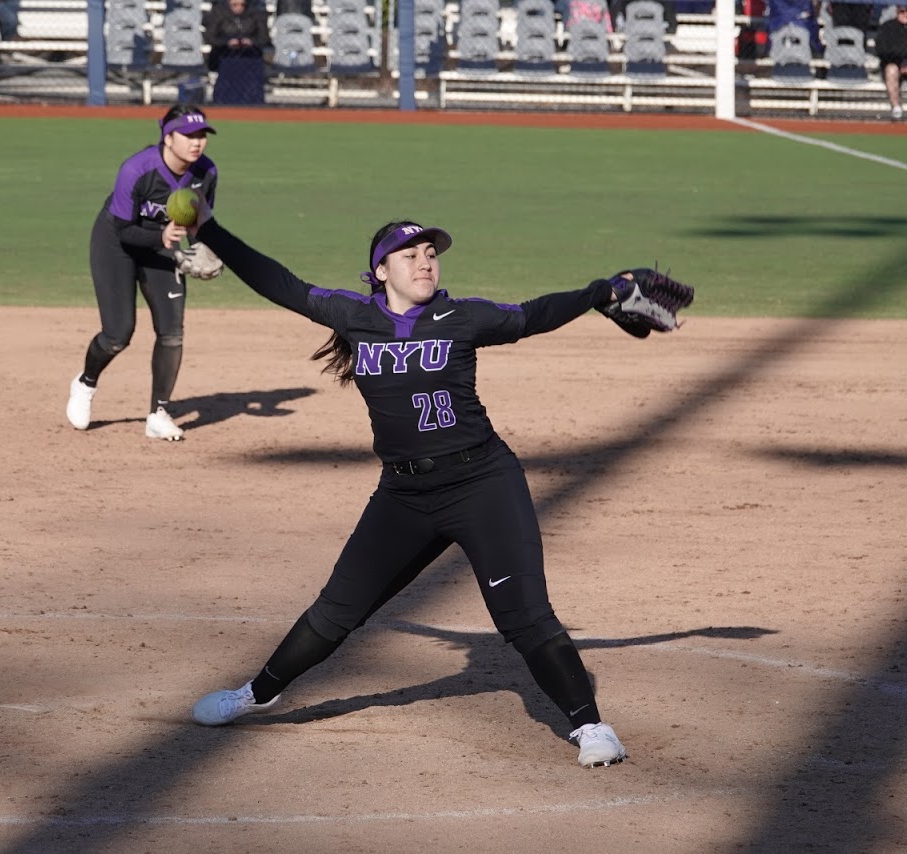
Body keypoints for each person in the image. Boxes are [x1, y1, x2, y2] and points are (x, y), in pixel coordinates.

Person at [184, 197, 639, 768]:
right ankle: (256, 694)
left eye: (431, 254)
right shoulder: (353, 315)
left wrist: (603, 291)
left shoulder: (464, 317)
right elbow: (278, 281)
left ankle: (591, 727)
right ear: (381, 271)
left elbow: (534, 314)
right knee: (335, 611)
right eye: (410, 254)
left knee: (525, 617)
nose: (426, 262)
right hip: (403, 497)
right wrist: (211, 230)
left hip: (484, 486)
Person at [64, 104, 219, 442]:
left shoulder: (205, 173)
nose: (197, 143)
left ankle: (158, 413)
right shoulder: (137, 169)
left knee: (172, 332)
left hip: (163, 247)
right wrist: (160, 238)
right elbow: (121, 228)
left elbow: (199, 220)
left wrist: (207, 248)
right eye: (189, 135)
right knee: (118, 334)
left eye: (202, 135)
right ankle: (86, 382)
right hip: (116, 244)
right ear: (168, 137)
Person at [202, 0, 270, 104]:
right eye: (235, 5)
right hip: (224, 55)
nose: (239, 7)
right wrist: (227, 42)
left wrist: (251, 42)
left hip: (249, 56)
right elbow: (210, 37)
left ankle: (252, 100)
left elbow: (264, 38)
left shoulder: (255, 13)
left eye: (242, 5)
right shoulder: (218, 13)